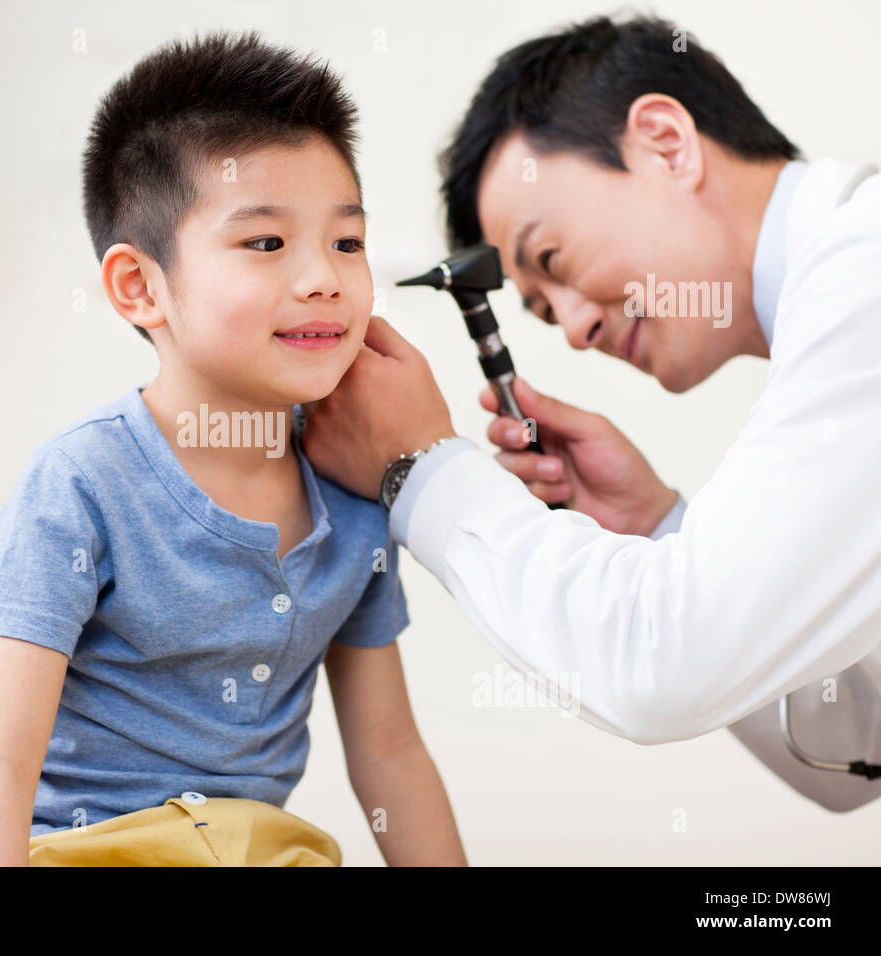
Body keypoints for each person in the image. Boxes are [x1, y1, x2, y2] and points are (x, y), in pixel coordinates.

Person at [302, 14, 881, 812]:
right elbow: (861, 747)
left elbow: (665, 669)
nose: (575, 328)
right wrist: (659, 528)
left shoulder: (866, 276)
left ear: (665, 141)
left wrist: (424, 473)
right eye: (543, 309)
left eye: (554, 260)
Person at [0, 32, 467, 866]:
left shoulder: (356, 491)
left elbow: (390, 756)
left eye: (347, 242)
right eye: (266, 243)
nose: (323, 277)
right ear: (140, 287)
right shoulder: (80, 488)